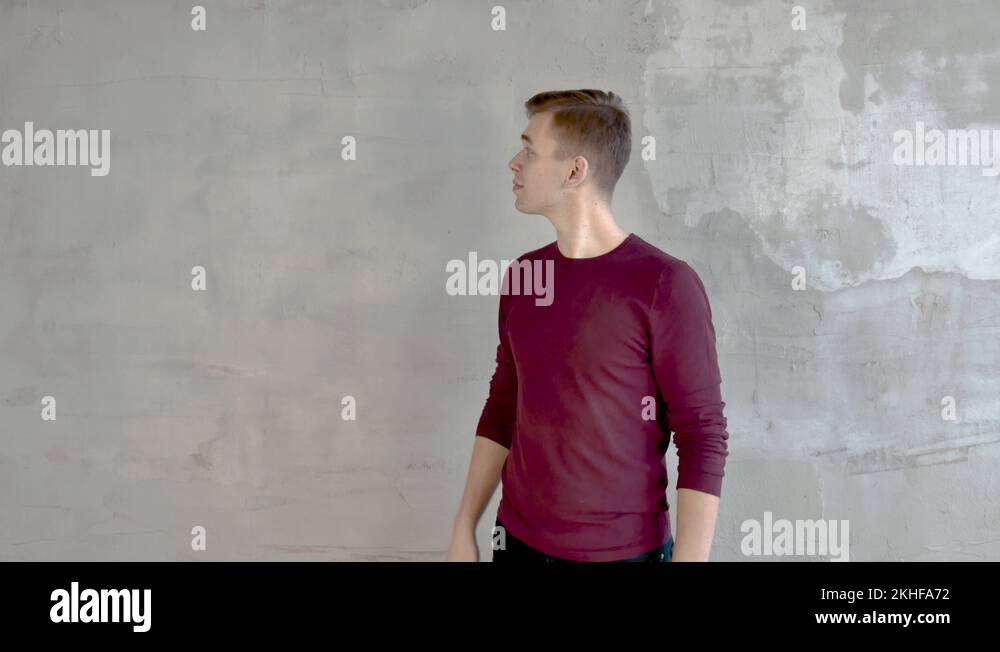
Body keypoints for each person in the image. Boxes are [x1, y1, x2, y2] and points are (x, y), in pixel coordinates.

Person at [446, 89, 729, 563]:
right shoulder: (524, 277)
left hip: (624, 555)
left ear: (574, 171)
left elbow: (702, 434)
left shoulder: (664, 284)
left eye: (529, 151)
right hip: (515, 545)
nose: (514, 163)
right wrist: (463, 526)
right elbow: (504, 403)